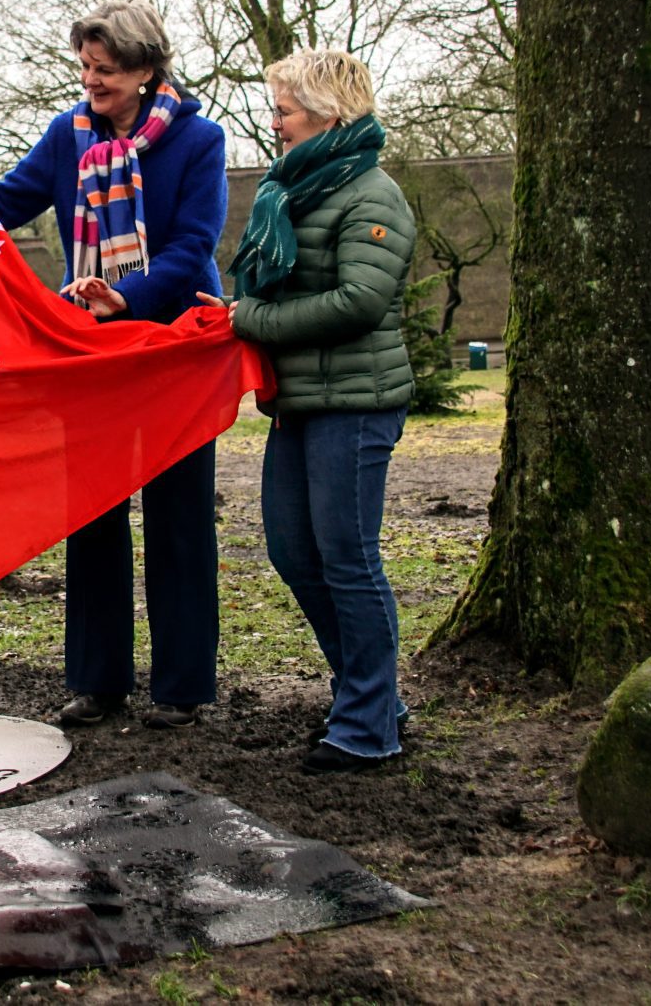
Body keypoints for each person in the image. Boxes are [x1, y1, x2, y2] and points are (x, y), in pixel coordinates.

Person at [0, 0, 228, 730]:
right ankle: (97, 681)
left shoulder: (198, 140)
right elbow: (2, 202)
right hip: (89, 353)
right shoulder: (66, 135)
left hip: (172, 347)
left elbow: (193, 244)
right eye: (84, 66)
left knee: (179, 517)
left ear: (148, 70)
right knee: (91, 511)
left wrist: (128, 296)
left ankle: (182, 687)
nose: (90, 80)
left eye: (106, 69)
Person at [210, 49, 415, 774]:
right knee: (295, 553)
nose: (275, 123)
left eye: (285, 110)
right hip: (299, 401)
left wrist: (252, 319)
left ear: (329, 114)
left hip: (357, 405)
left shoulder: (372, 195)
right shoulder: (294, 189)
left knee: (348, 559)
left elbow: (359, 302)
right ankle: (376, 694)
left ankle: (367, 722)